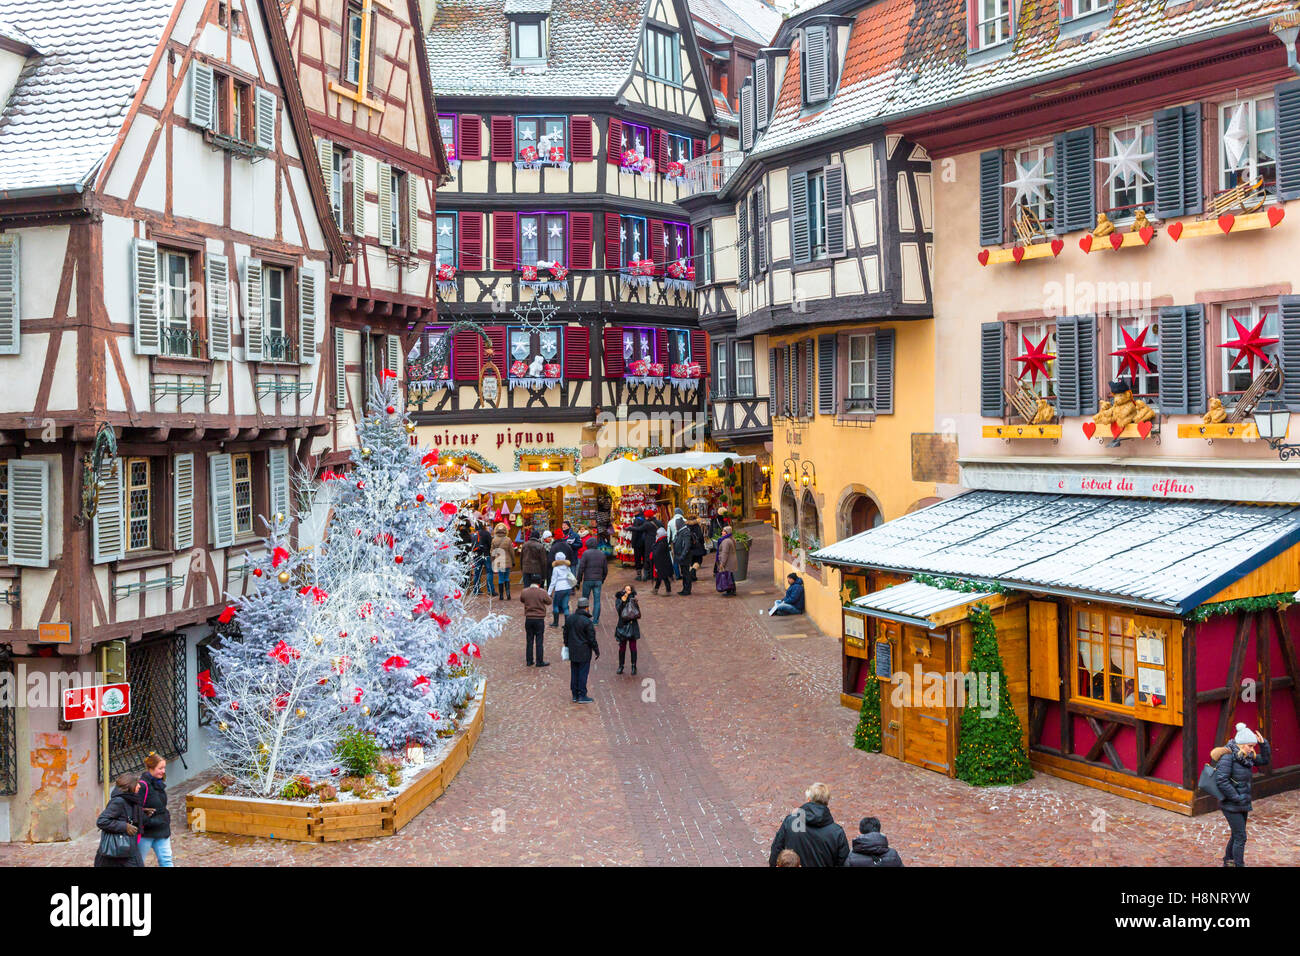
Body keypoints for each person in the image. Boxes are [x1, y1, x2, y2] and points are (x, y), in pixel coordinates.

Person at [1212, 722, 1271, 866]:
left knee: (1236, 834)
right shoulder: (1228, 757)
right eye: (1250, 746)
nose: (1252, 749)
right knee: (1241, 836)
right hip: (1231, 803)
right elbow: (1221, 780)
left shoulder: (1247, 757)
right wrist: (1236, 797)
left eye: (1253, 746)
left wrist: (1263, 744)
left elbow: (1265, 760)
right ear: (1241, 744)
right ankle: (1238, 864)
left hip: (1242, 802)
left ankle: (1228, 861)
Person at [767, 782, 850, 868]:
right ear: (827, 802)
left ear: (809, 799)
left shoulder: (791, 821)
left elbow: (776, 850)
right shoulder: (836, 832)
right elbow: (844, 862)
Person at [94, 773, 144, 867]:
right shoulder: (119, 801)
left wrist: (143, 812)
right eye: (137, 783)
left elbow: (126, 815)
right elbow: (102, 821)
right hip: (116, 849)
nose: (139, 786)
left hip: (127, 848)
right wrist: (124, 826)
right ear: (130, 786)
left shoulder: (132, 799)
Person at [137, 753, 173, 867]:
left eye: (164, 768)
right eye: (160, 768)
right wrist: (150, 822)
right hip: (146, 833)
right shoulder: (142, 786)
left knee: (166, 861)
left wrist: (165, 818)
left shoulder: (159, 783)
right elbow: (136, 809)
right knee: (138, 863)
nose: (163, 771)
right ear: (151, 768)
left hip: (162, 829)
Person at [563, 596, 599, 703]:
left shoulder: (570, 618)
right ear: (587, 608)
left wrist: (567, 645)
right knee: (583, 673)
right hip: (584, 651)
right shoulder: (587, 622)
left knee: (574, 672)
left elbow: (565, 633)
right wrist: (596, 650)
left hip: (573, 650)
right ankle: (582, 695)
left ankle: (575, 694)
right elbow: (591, 638)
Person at [575, 540, 609, 625]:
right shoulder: (602, 554)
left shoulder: (586, 553)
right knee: (597, 601)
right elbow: (605, 569)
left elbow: (581, 568)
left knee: (585, 599)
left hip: (588, 579)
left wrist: (578, 581)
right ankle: (595, 620)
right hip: (598, 580)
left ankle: (585, 618)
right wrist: (602, 579)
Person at [519, 578, 550, 667]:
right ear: (539, 584)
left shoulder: (524, 591)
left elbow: (522, 600)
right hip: (539, 619)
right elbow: (549, 601)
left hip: (528, 619)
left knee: (529, 640)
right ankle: (539, 661)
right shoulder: (542, 592)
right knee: (539, 641)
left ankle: (529, 660)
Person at [614, 584, 642, 675]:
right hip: (622, 625)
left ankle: (634, 666)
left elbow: (637, 613)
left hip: (632, 625)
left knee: (633, 646)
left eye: (628, 590)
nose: (626, 591)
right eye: (625, 589)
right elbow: (619, 611)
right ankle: (621, 666)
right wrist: (623, 600)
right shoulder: (619, 599)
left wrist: (632, 602)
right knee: (622, 646)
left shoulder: (633, 600)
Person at [548, 555, 577, 627]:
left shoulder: (556, 569)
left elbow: (553, 581)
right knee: (565, 606)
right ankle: (567, 624)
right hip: (567, 587)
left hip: (559, 588)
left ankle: (555, 623)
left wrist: (549, 592)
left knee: (555, 605)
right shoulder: (567, 567)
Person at [672, 514, 696, 594]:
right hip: (681, 556)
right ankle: (684, 588)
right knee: (684, 572)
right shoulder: (681, 531)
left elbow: (687, 545)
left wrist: (683, 555)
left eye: (676, 524)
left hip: (685, 557)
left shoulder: (685, 532)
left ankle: (687, 590)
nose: (675, 526)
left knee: (686, 573)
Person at [490, 522, 515, 600]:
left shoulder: (494, 540)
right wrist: (513, 561)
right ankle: (508, 594)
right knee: (507, 577)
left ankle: (501, 596)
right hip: (507, 561)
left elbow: (492, 552)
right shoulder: (508, 539)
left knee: (500, 578)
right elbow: (511, 551)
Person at [471, 521, 495, 596]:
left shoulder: (473, 535)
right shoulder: (486, 533)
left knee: (477, 573)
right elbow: (490, 543)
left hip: (476, 556)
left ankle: (476, 590)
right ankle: (490, 590)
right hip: (486, 554)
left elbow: (471, 545)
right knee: (489, 572)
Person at [714, 525, 738, 596]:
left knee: (728, 576)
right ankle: (732, 590)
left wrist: (722, 564)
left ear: (727, 532)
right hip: (731, 560)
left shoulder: (725, 541)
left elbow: (725, 553)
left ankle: (730, 590)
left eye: (724, 531)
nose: (722, 532)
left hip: (728, 562)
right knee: (730, 576)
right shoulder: (731, 539)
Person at [650, 527, 674, 594]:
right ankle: (656, 589)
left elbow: (657, 552)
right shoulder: (662, 541)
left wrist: (652, 553)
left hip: (662, 563)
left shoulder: (662, 542)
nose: (656, 535)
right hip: (661, 562)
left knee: (664, 577)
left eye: (657, 534)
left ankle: (668, 591)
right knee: (659, 577)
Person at [666, 508, 687, 577]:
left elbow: (669, 535)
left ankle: (677, 574)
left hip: (675, 542)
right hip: (684, 541)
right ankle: (685, 572)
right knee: (685, 556)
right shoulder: (685, 520)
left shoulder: (670, 522)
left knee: (676, 558)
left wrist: (668, 544)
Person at [630, 513, 648, 580]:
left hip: (638, 543)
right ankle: (646, 574)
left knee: (637, 559)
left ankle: (639, 575)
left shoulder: (636, 520)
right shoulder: (645, 519)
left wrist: (633, 543)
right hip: (645, 542)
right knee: (645, 558)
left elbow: (635, 533)